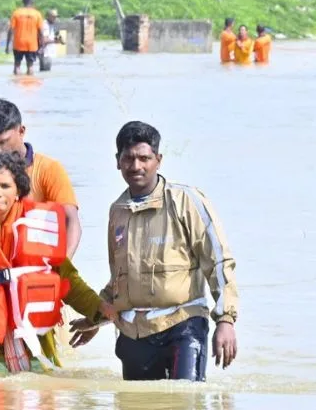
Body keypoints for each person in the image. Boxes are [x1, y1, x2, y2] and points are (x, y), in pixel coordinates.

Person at [72, 121, 238, 381]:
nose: (136, 166)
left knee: (185, 399)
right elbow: (120, 280)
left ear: (158, 160)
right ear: (117, 162)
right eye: (128, 158)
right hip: (134, 333)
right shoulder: (118, 211)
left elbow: (218, 262)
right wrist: (96, 318)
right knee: (138, 406)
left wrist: (225, 319)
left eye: (144, 158)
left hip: (183, 325)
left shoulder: (186, 201)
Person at [0, 153, 111, 375]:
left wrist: (99, 310)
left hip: (36, 341)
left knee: (44, 394)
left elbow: (67, 280)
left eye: (5, 186)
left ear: (18, 190)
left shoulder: (41, 226)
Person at [0, 98, 81, 257]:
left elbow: (71, 222)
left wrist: (64, 265)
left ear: (21, 131)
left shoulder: (48, 169)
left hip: (40, 263)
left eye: (3, 142)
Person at [6, 0, 44, 76]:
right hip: (32, 44)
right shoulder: (37, 14)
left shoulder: (16, 13)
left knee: (17, 66)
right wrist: (42, 46)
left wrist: (7, 45)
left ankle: (17, 82)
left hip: (19, 43)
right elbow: (41, 32)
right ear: (32, 1)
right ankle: (29, 82)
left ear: (23, 1)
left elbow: (11, 30)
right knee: (30, 66)